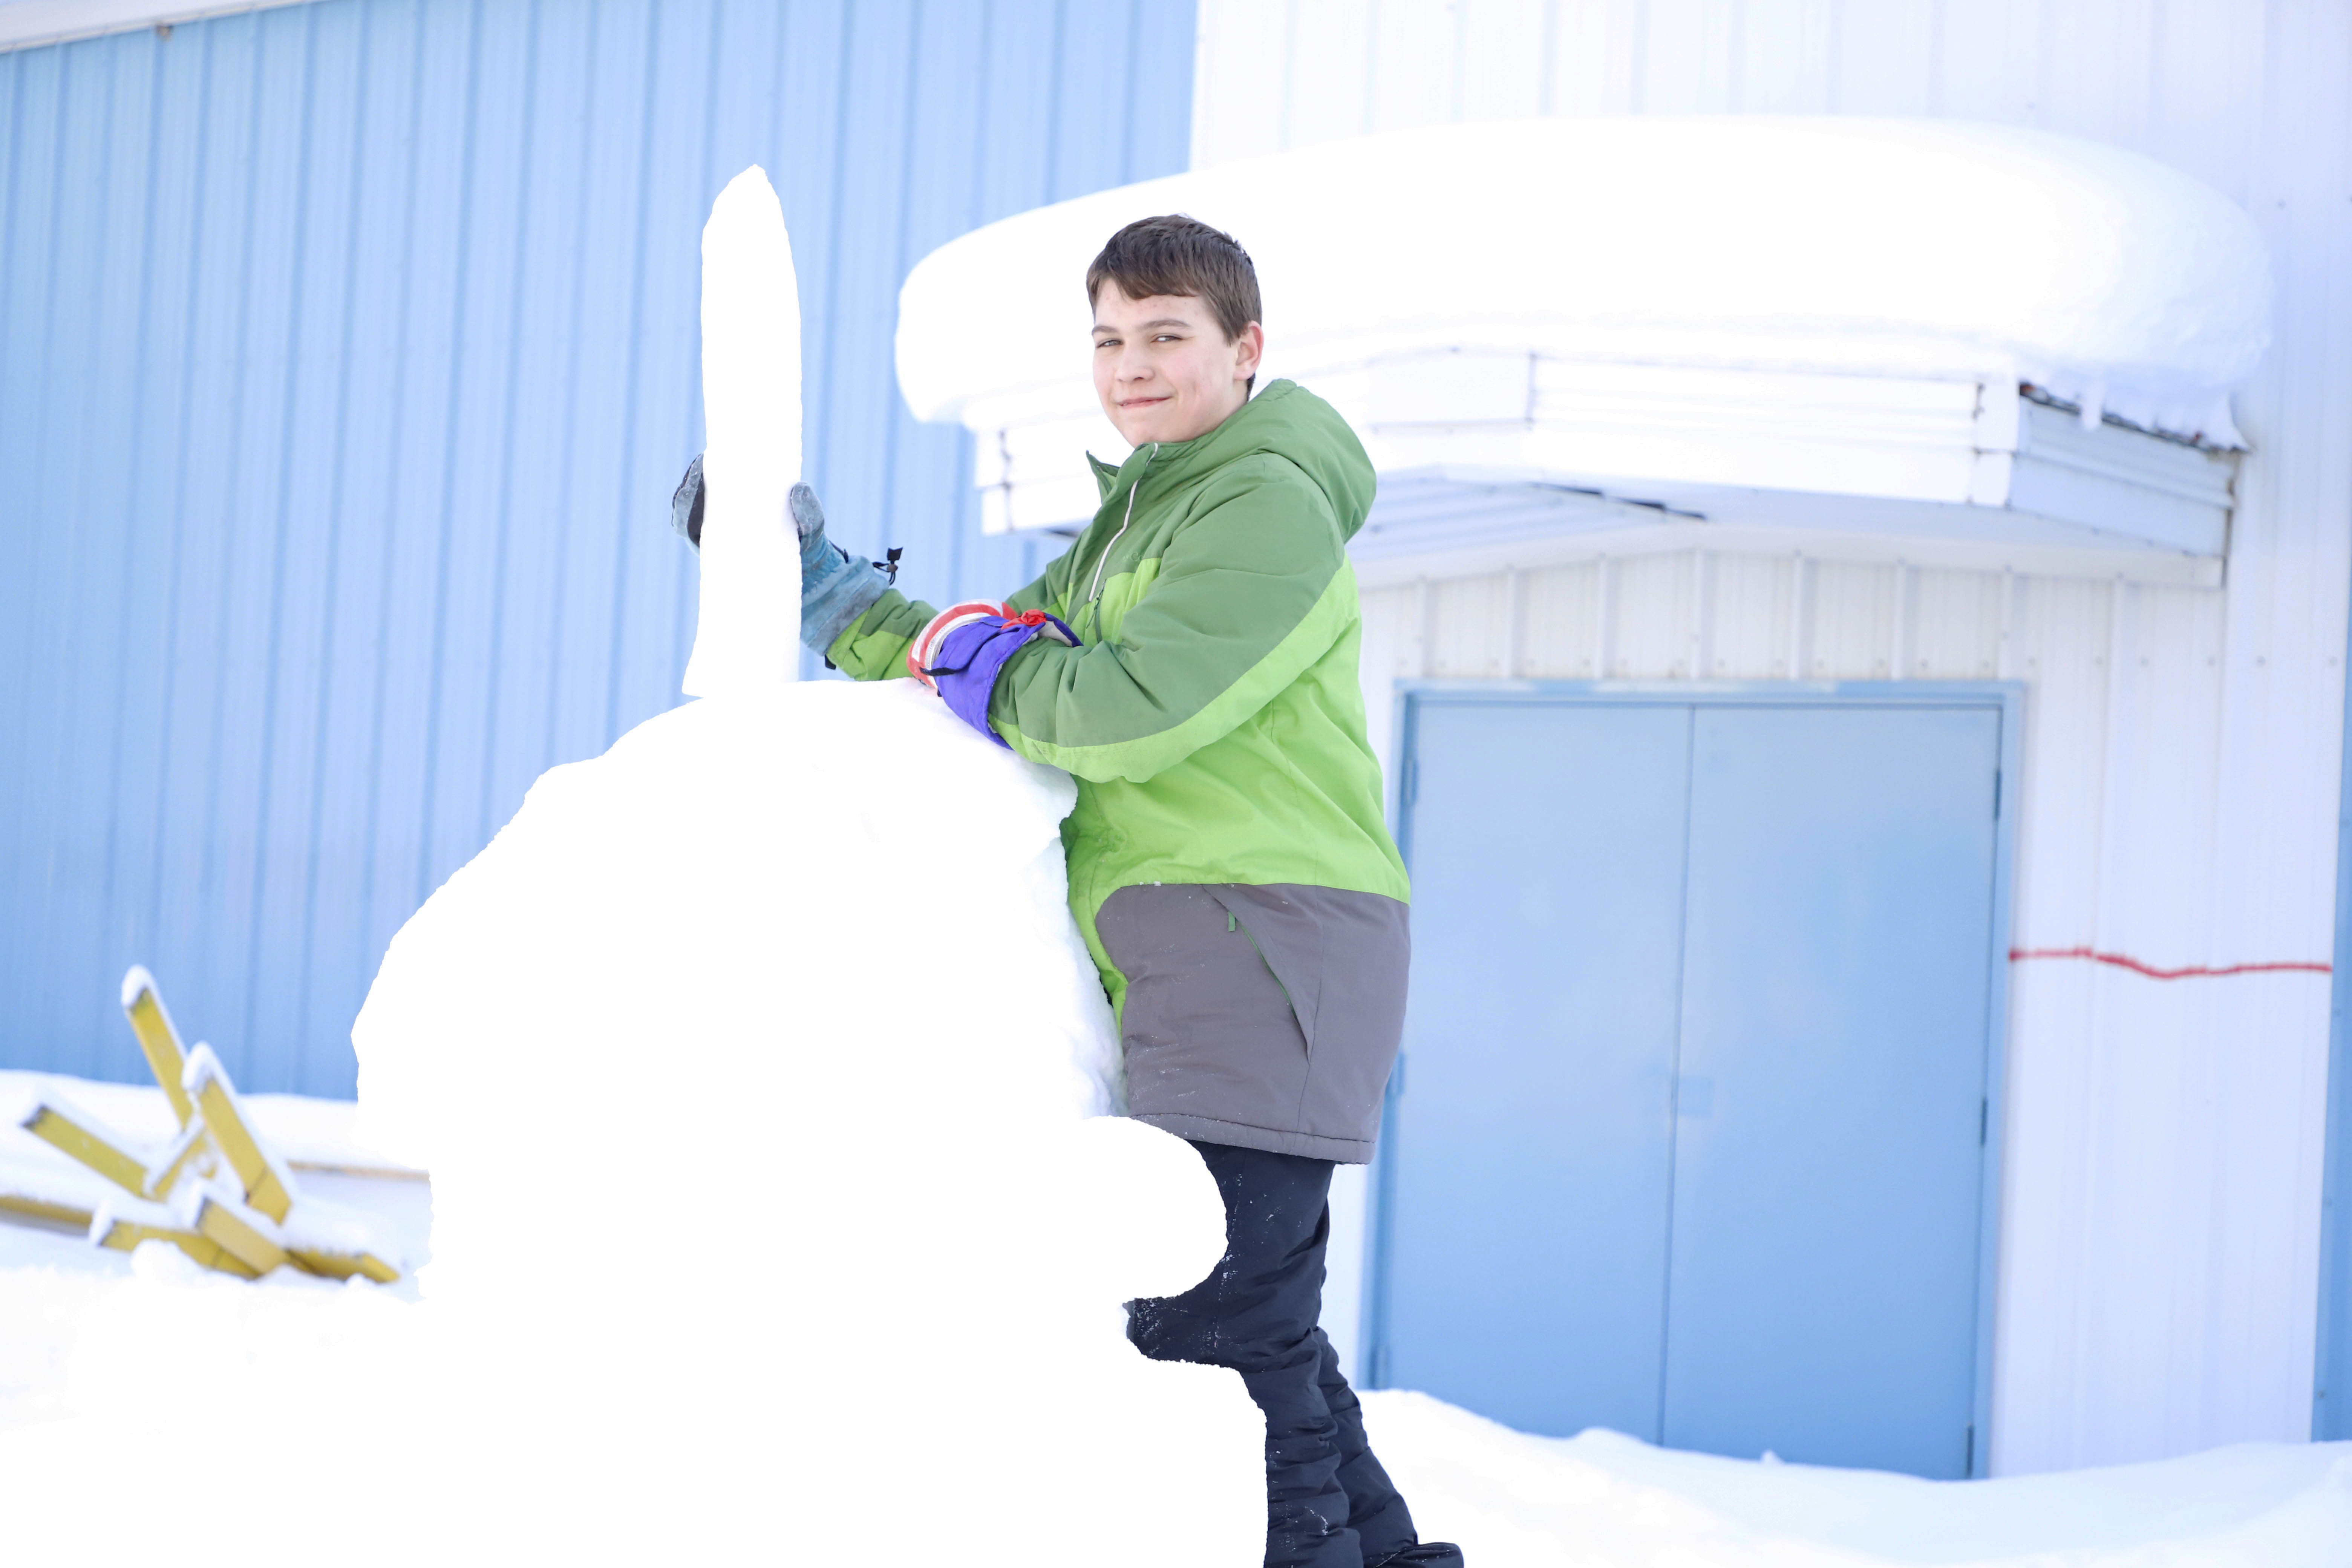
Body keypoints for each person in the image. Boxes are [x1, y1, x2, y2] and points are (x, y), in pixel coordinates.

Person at [674, 214, 1461, 1568]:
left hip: (1263, 939)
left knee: (1206, 1323)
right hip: (1205, 943)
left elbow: (1118, 709)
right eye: (1109, 339)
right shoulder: (1145, 510)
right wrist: (818, 585)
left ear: (1245, 348)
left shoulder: (1262, 502)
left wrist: (995, 671)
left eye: (1167, 337)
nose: (1132, 367)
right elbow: (984, 654)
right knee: (1251, 1317)